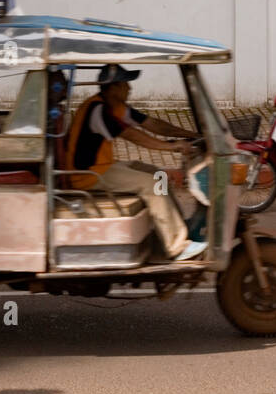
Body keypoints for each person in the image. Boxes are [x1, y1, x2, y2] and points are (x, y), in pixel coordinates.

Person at [64, 64, 205, 260]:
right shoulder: (98, 110)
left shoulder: (115, 107)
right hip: (87, 175)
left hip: (103, 167)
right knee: (153, 184)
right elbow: (134, 136)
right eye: (125, 84)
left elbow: (153, 124)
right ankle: (176, 246)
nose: (129, 88)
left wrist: (191, 135)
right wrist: (172, 147)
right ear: (113, 87)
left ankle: (174, 225)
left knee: (157, 174)